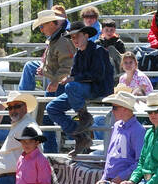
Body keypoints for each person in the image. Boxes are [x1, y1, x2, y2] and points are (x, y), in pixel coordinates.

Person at [45, 23, 113, 155]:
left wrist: (72, 79)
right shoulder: (78, 55)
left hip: (97, 89)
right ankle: (81, 137)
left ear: (86, 36)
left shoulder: (98, 50)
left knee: (71, 86)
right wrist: (68, 79)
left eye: (77, 36)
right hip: (81, 90)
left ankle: (84, 117)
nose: (74, 39)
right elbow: (75, 76)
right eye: (72, 37)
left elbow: (98, 75)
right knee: (51, 108)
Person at [20, 5, 72, 153]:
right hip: (57, 83)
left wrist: (55, 80)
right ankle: (52, 153)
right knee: (48, 118)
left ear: (51, 23)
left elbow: (67, 65)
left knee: (52, 114)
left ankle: (79, 137)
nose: (41, 29)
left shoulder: (62, 39)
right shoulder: (56, 39)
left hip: (63, 85)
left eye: (42, 26)